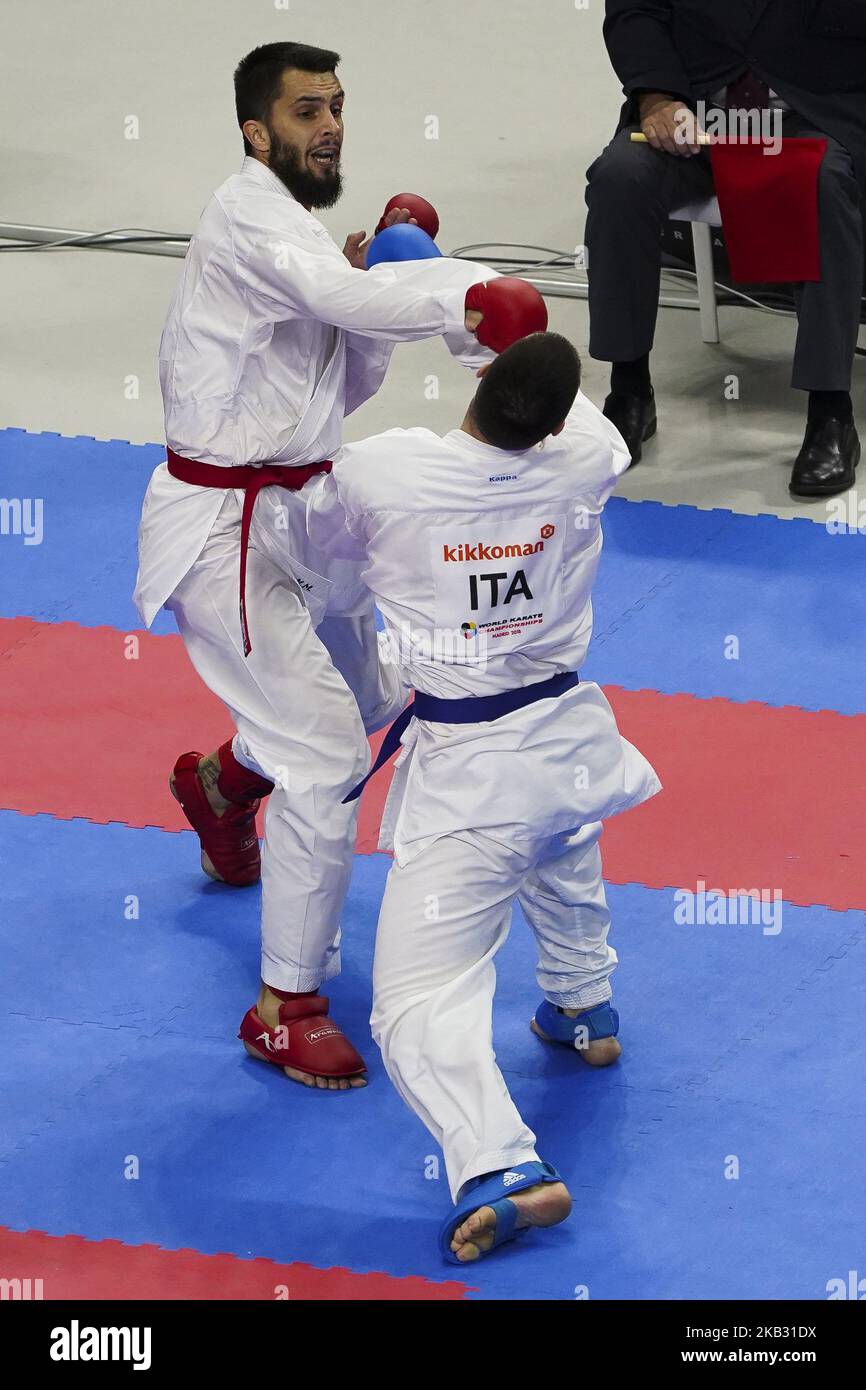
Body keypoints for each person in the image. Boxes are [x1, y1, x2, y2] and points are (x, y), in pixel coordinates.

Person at [133, 41, 546, 1091]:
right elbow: (344, 301)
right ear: (255, 133)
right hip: (222, 529)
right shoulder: (248, 218)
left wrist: (382, 277)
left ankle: (226, 785)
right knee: (321, 757)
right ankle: (285, 1004)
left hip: (301, 510)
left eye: (337, 108)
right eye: (306, 111)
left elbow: (344, 367)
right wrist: (462, 299)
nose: (329, 128)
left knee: (368, 691)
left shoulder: (300, 240)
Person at [306, 332, 661, 1262]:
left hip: (471, 769)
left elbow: (321, 549)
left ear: (479, 388)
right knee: (559, 841)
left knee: (414, 1002)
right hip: (569, 736)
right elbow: (551, 399)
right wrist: (492, 330)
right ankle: (585, 1006)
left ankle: (500, 1164)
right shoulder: (589, 456)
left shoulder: (387, 472)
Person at [586, 0, 866, 497]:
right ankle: (629, 388)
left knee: (824, 185)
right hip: (692, 108)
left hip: (813, 110)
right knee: (619, 180)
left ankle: (830, 410)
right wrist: (656, 97)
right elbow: (636, 10)